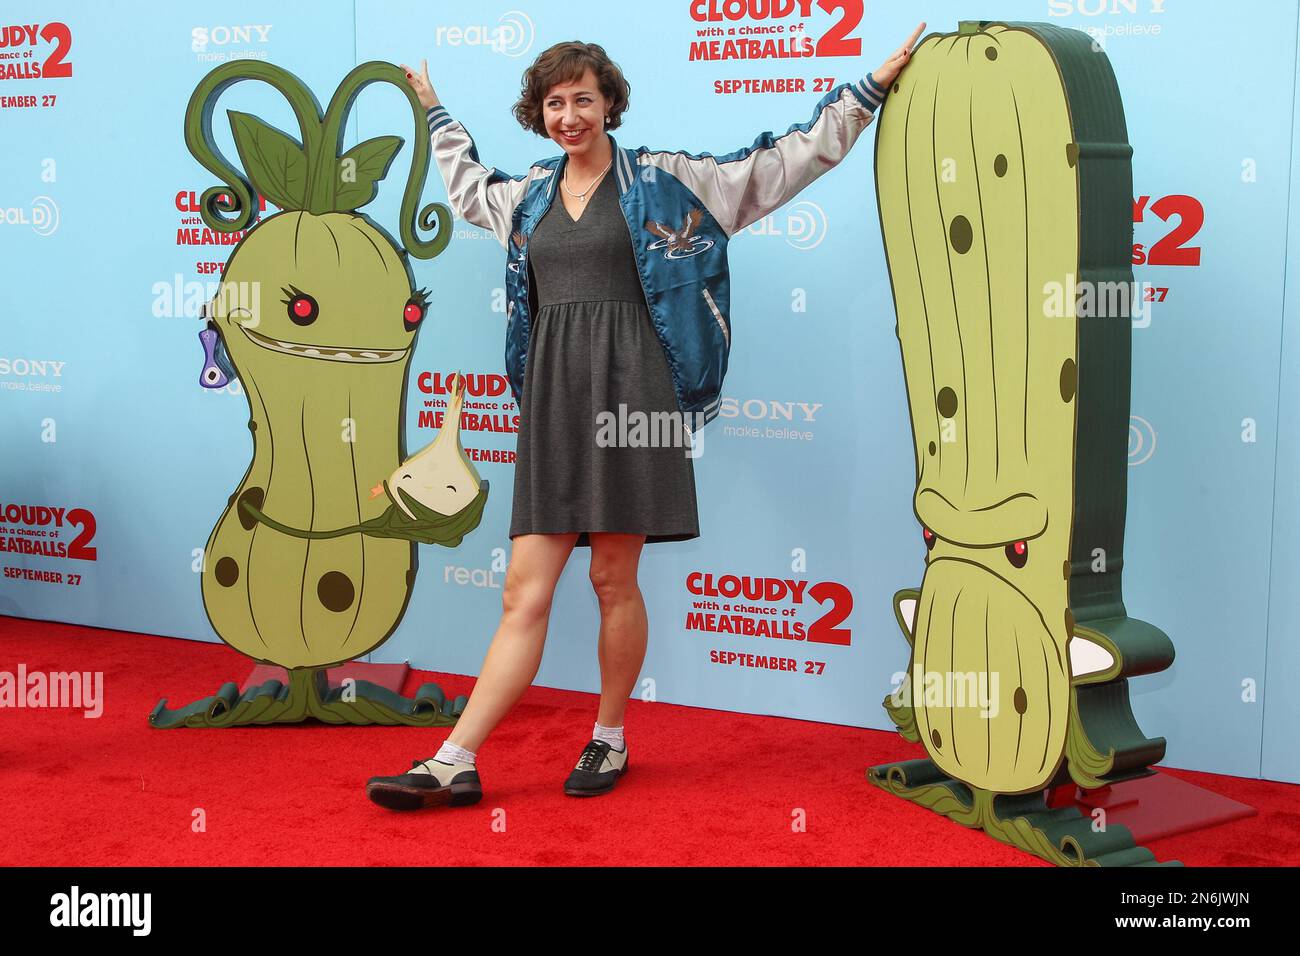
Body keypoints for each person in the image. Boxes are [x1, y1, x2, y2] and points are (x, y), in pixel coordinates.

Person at [367, 24, 925, 811]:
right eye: (555, 103)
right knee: (524, 591)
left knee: (610, 576)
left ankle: (610, 734)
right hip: (556, 401)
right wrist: (432, 108)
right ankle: (455, 760)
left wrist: (866, 91)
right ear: (539, 112)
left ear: (609, 104)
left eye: (583, 100)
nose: (570, 116)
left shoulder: (667, 181)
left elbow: (779, 164)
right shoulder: (528, 193)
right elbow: (466, 186)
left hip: (637, 398)